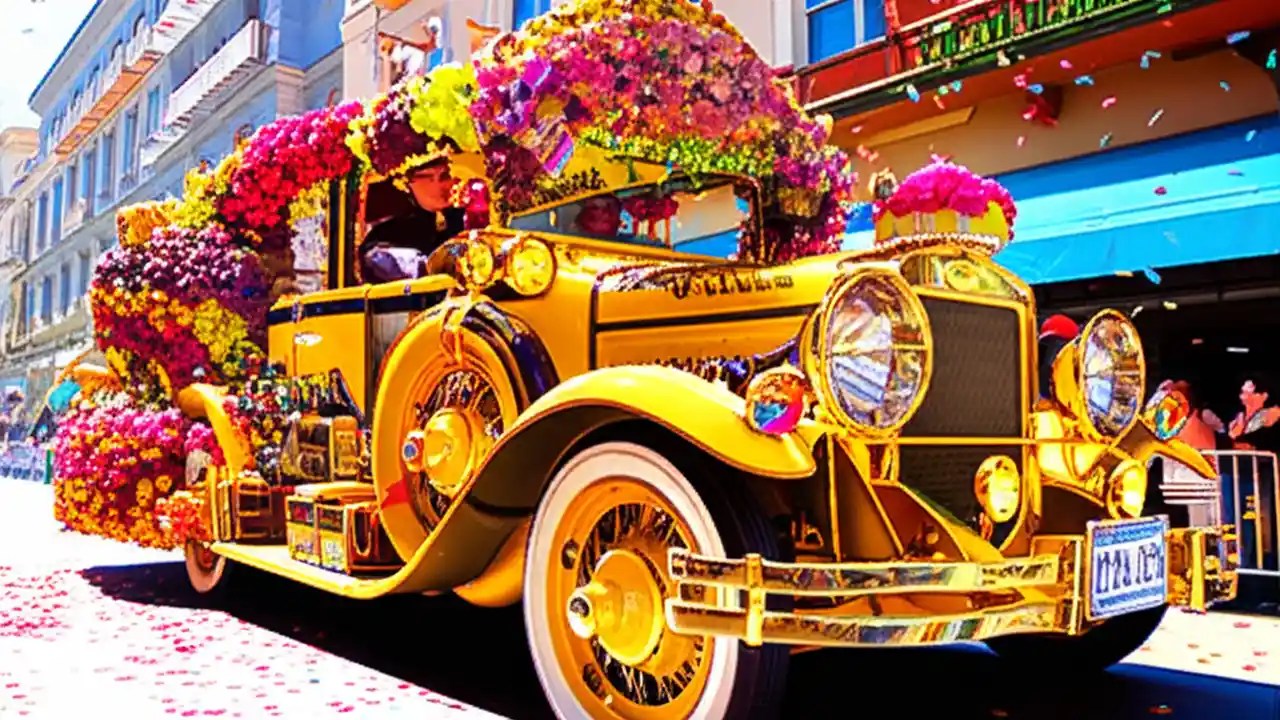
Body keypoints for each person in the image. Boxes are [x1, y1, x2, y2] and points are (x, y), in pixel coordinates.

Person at [360, 157, 467, 283]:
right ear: (405, 182)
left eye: (446, 174)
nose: (438, 182)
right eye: (426, 175)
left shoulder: (477, 216)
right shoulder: (385, 236)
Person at [1226, 374, 1280, 571]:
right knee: (1237, 518)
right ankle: (1244, 560)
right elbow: (1231, 438)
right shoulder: (1240, 417)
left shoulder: (1271, 414)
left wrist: (1243, 441)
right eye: (1242, 392)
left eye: (1248, 392)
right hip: (1240, 473)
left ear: (1262, 395)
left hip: (1264, 476)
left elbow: (1259, 440)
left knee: (1259, 517)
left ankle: (1265, 561)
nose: (1244, 396)